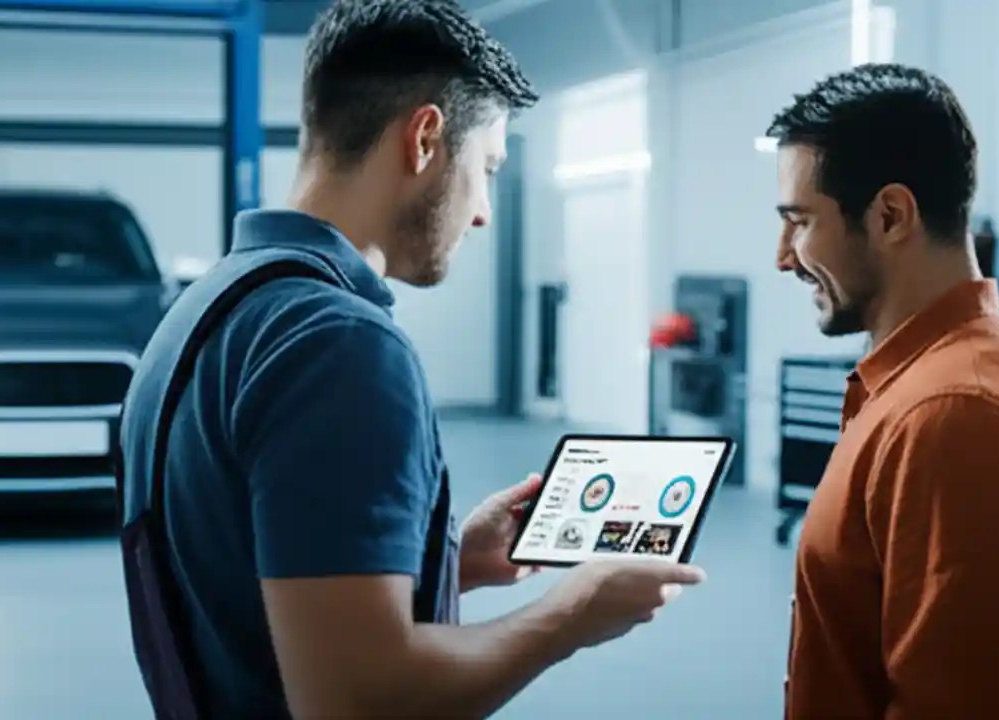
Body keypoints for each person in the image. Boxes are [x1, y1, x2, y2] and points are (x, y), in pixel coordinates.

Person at [117, 1, 704, 718]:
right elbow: (360, 701)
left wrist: (447, 562)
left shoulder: (208, 311)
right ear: (425, 139)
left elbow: (250, 592)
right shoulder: (338, 343)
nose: (484, 210)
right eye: (486, 167)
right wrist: (571, 614)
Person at [767, 63, 999, 719]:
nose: (783, 255)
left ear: (891, 215)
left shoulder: (960, 418)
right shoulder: (925, 387)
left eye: (800, 222)